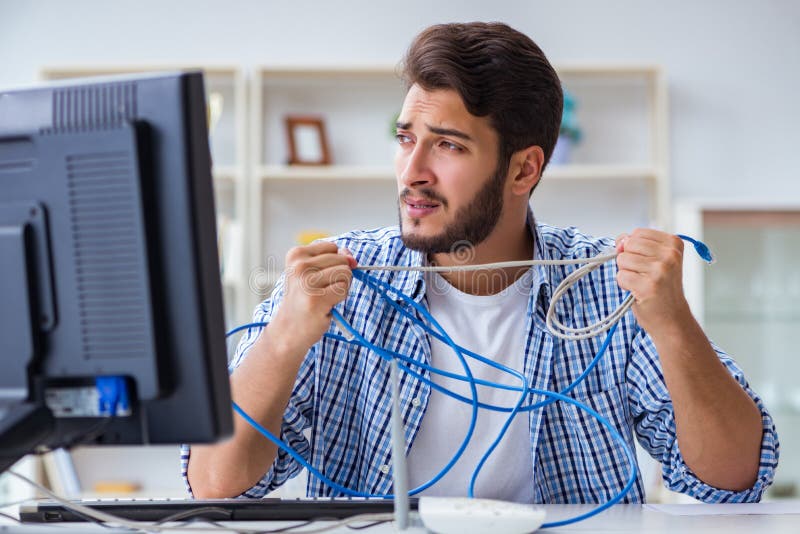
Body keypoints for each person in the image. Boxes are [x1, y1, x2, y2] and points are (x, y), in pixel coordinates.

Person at [183, 22, 778, 504]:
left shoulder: (606, 288)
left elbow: (735, 478)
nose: (412, 170)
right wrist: (286, 337)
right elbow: (214, 484)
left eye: (447, 144)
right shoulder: (340, 284)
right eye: (404, 137)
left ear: (524, 170)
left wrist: (673, 322)